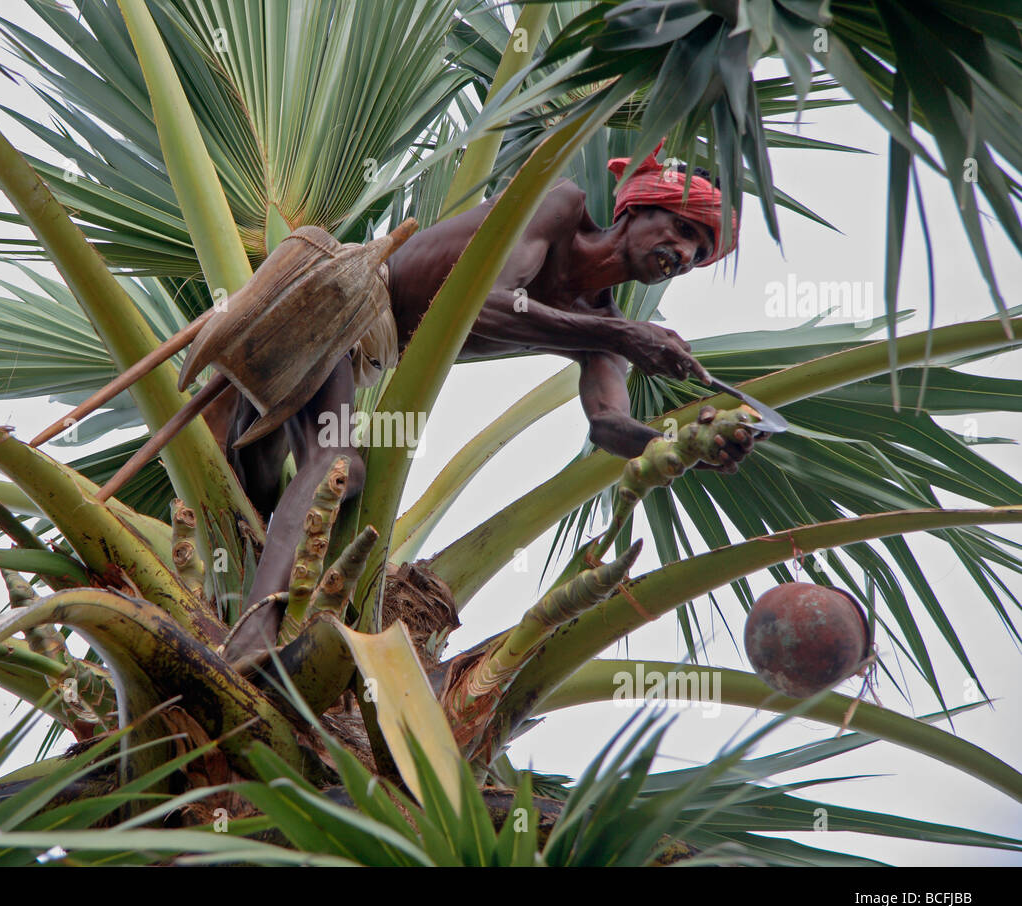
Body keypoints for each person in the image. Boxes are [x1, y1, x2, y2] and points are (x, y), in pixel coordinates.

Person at [211, 144, 759, 660]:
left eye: (698, 254)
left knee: (254, 486)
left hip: (363, 356)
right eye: (683, 230)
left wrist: (680, 444)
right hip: (343, 292)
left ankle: (237, 608)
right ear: (638, 208)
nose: (684, 254)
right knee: (335, 466)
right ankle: (255, 628)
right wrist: (621, 338)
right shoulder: (559, 206)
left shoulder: (606, 331)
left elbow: (608, 426)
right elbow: (486, 303)